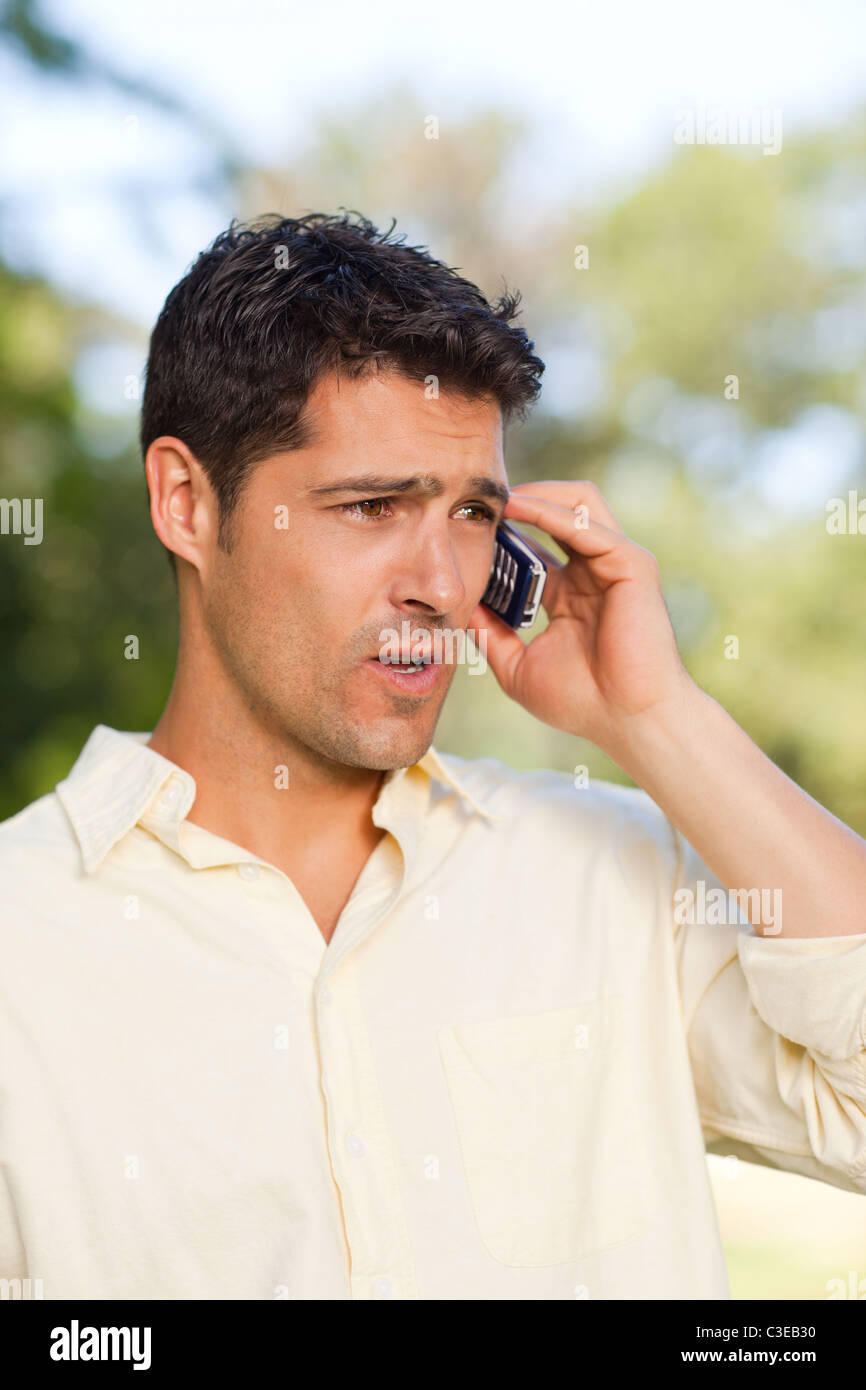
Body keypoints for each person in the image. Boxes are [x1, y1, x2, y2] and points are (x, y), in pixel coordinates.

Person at [1, 212, 864, 1302]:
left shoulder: (605, 874)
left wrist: (657, 716)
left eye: (469, 514)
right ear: (185, 502)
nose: (444, 586)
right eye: (370, 506)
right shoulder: (20, 947)